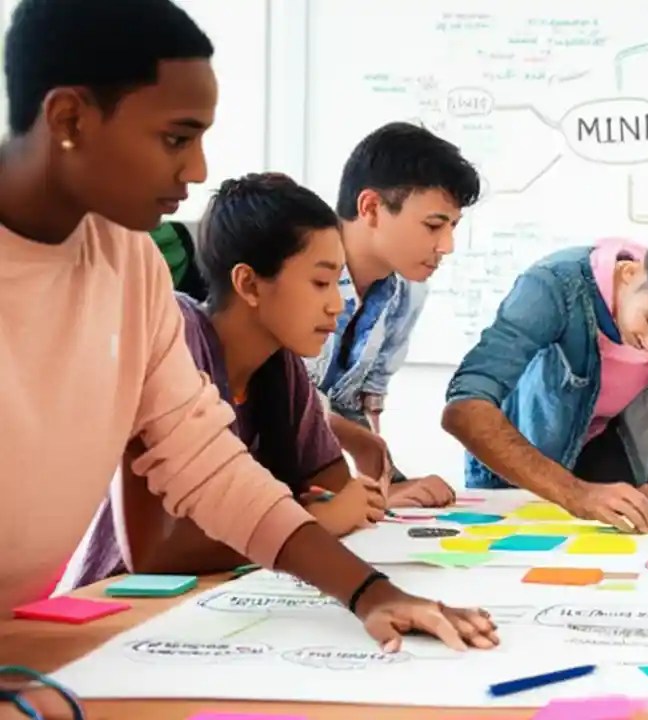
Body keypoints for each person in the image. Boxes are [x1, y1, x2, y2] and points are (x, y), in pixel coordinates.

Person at [0, 0, 495, 694]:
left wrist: (369, 593)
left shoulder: (130, 265)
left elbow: (206, 461)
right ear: (69, 119)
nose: (198, 169)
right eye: (177, 138)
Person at [73, 173, 393, 586]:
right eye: (320, 282)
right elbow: (155, 550)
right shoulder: (177, 335)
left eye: (338, 282)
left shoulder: (281, 365)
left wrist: (331, 508)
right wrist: (312, 520)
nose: (336, 304)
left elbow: (333, 488)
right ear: (248, 283)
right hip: (123, 604)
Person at [443, 221, 648, 533]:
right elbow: (465, 407)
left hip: (611, 459)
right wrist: (576, 493)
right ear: (630, 274)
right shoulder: (552, 286)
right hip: (522, 473)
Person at [307, 121, 479, 509]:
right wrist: (370, 492)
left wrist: (386, 483)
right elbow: (283, 405)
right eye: (434, 225)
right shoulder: (299, 269)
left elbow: (361, 401)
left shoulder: (408, 289)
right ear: (370, 208)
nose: (447, 245)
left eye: (452, 226)